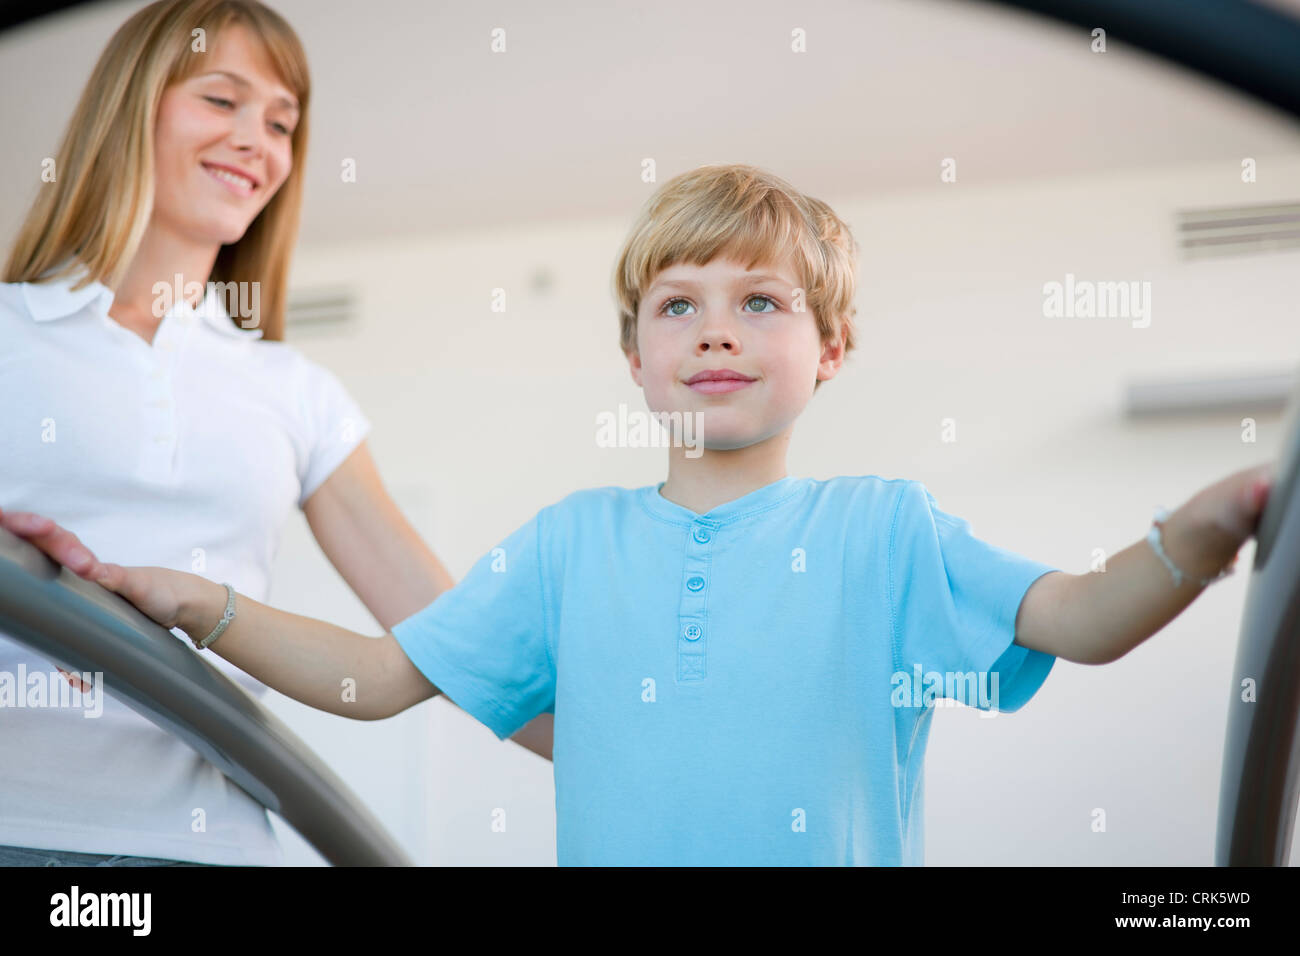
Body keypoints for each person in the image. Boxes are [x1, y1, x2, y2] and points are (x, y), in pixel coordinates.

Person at [3, 163, 1274, 864]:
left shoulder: (886, 530)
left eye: (760, 300)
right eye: (678, 302)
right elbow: (380, 677)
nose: (716, 324)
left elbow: (1082, 616)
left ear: (831, 349)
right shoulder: (567, 544)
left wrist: (1207, 529)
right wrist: (195, 600)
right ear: (635, 357)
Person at [0, 0, 551, 869]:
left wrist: (649, 741)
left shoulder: (294, 392)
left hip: (212, 845)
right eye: (222, 101)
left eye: (282, 122)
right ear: (129, 108)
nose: (258, 141)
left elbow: (453, 637)